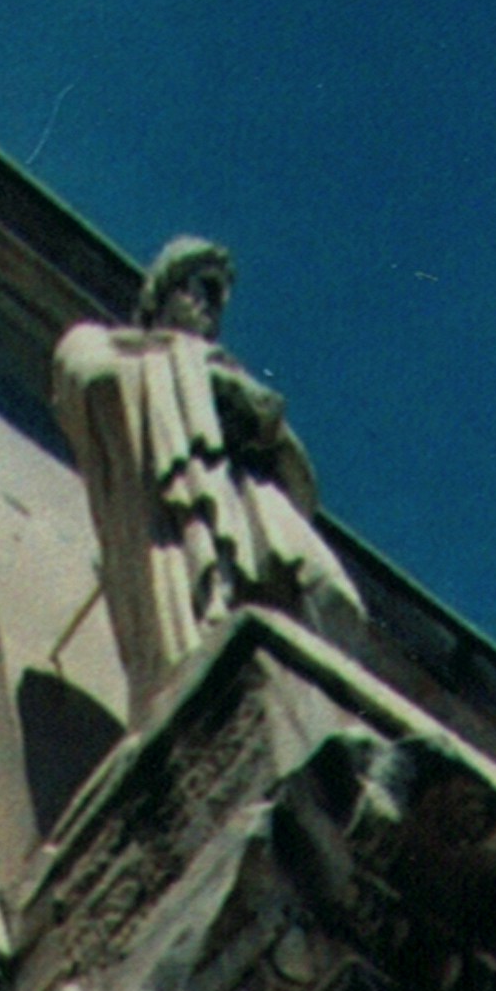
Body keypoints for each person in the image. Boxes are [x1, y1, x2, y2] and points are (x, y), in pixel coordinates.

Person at [46, 236, 368, 709]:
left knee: (334, 599)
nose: (206, 305)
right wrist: (196, 380)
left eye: (215, 296)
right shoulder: (105, 343)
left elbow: (296, 474)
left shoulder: (224, 365)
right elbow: (91, 382)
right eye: (194, 287)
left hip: (245, 495)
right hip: (176, 518)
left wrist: (261, 425)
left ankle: (321, 713)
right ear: (162, 293)